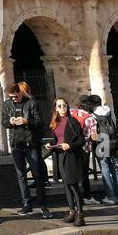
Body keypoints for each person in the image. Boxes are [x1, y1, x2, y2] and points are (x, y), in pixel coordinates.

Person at [3, 81, 50, 217]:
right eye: (11, 97)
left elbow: (40, 122)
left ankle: (43, 205)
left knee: (37, 175)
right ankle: (26, 204)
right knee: (21, 175)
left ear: (19, 92)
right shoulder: (7, 105)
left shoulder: (31, 103)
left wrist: (26, 121)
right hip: (16, 143)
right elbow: (3, 121)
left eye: (15, 96)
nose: (14, 99)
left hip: (30, 143)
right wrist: (10, 122)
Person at [48, 97, 87, 227]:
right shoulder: (55, 122)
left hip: (71, 156)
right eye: (59, 106)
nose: (63, 108)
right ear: (55, 108)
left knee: (73, 185)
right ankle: (72, 211)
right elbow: (56, 140)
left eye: (64, 105)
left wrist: (69, 145)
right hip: (60, 156)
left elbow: (82, 140)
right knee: (66, 185)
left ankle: (80, 215)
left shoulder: (72, 121)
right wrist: (51, 145)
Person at [90, 93, 118, 204]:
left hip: (101, 142)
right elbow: (114, 125)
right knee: (115, 169)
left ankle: (110, 197)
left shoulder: (92, 114)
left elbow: (93, 132)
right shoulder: (109, 110)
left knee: (105, 169)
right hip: (113, 141)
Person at [72, 94, 100, 206]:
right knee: (84, 174)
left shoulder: (71, 113)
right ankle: (87, 196)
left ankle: (73, 197)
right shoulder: (90, 118)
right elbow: (94, 137)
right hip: (84, 148)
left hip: (71, 146)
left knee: (72, 172)